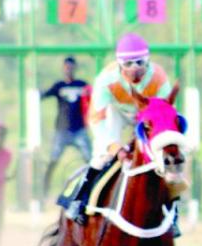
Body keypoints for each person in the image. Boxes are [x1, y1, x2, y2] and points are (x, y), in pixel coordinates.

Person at [65, 33, 175, 224]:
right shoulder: (105, 80)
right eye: (128, 64)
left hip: (148, 115)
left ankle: (173, 212)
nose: (135, 70)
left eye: (140, 62)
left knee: (166, 155)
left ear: (148, 60)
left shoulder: (159, 77)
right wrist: (115, 148)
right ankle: (79, 200)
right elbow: (96, 119)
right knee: (102, 155)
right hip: (117, 113)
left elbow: (166, 113)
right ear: (119, 64)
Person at [41, 56, 92, 195]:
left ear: (75, 68)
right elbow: (44, 95)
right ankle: (45, 187)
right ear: (63, 68)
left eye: (71, 66)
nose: (69, 69)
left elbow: (93, 96)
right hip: (62, 130)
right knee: (54, 158)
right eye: (66, 67)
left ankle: (93, 185)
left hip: (79, 129)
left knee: (91, 159)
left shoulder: (82, 85)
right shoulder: (59, 86)